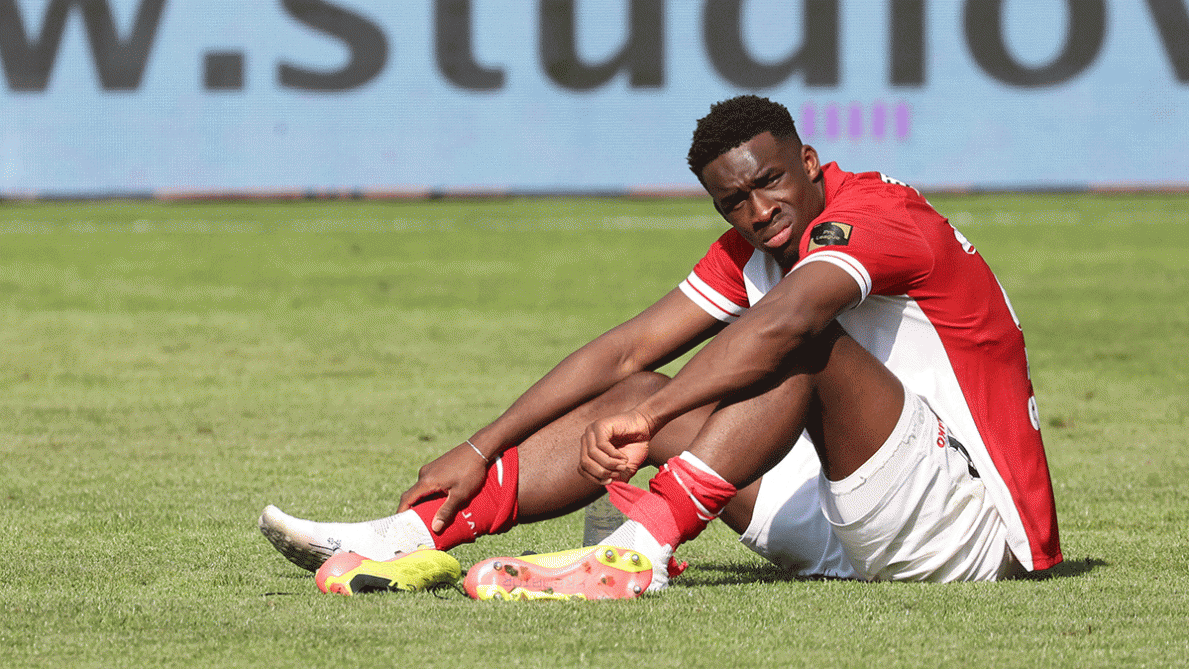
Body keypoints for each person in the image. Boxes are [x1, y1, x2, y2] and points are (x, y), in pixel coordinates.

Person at [259, 95, 1062, 599]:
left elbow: (785, 327)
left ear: (809, 163)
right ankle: (415, 534)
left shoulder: (874, 216)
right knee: (630, 391)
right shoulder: (753, 248)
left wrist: (652, 421)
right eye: (733, 201)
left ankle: (637, 549)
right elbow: (622, 352)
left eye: (770, 181)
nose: (758, 210)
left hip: (968, 533)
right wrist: (479, 445)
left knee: (796, 340)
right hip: (850, 519)